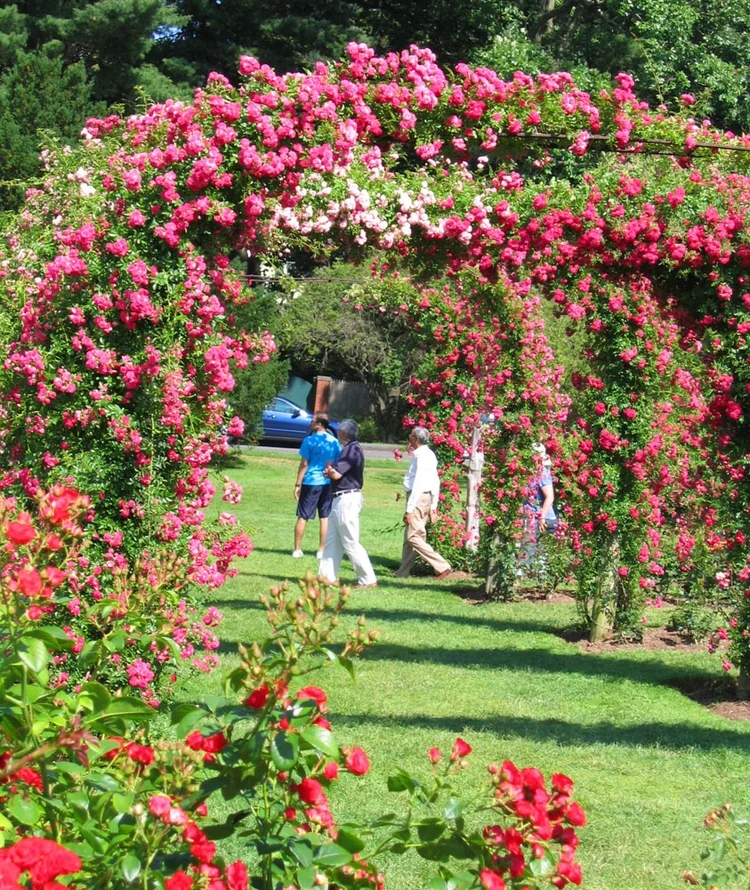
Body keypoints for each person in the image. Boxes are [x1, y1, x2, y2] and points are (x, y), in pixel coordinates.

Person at [318, 419, 378, 588]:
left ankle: (368, 579)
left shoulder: (351, 450)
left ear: (342, 434)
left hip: (347, 499)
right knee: (331, 540)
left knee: (350, 541)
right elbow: (336, 472)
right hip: (339, 498)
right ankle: (327, 577)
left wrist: (330, 470)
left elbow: (336, 475)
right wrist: (330, 470)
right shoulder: (350, 449)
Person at [393, 426, 452, 579]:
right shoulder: (428, 454)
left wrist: (409, 509)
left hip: (418, 498)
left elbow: (419, 483)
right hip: (423, 498)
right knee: (409, 537)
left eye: (411, 436)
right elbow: (435, 481)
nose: (409, 438)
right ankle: (403, 572)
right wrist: (433, 507)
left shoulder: (422, 456)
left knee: (414, 536)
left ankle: (442, 566)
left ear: (416, 439)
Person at [292, 413, 342, 558]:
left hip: (311, 482)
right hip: (327, 482)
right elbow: (337, 462)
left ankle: (297, 549)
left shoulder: (309, 441)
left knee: (303, 516)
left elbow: (304, 464)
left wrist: (297, 483)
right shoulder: (334, 442)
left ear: (319, 424)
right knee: (324, 516)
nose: (310, 422)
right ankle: (321, 550)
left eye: (313, 421)